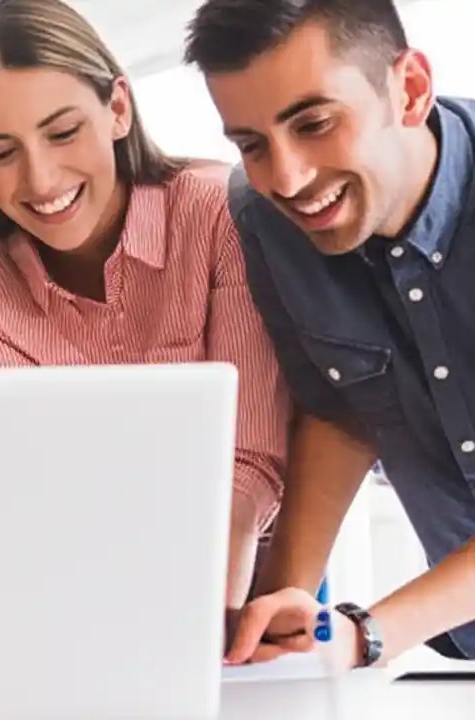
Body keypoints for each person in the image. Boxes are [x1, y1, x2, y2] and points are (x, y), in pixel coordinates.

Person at [0, 0, 291, 611]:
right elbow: (43, 488)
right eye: (0, 152)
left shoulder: (220, 216)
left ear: (118, 108)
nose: (42, 180)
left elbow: (248, 460)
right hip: (81, 592)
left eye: (63, 132)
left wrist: (206, 629)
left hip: (251, 588)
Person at [185, 0, 475, 670]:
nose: (285, 178)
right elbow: (339, 409)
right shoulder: (266, 222)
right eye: (251, 144)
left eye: (314, 124)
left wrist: (366, 636)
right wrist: (280, 610)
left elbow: (364, 640)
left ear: (409, 89)